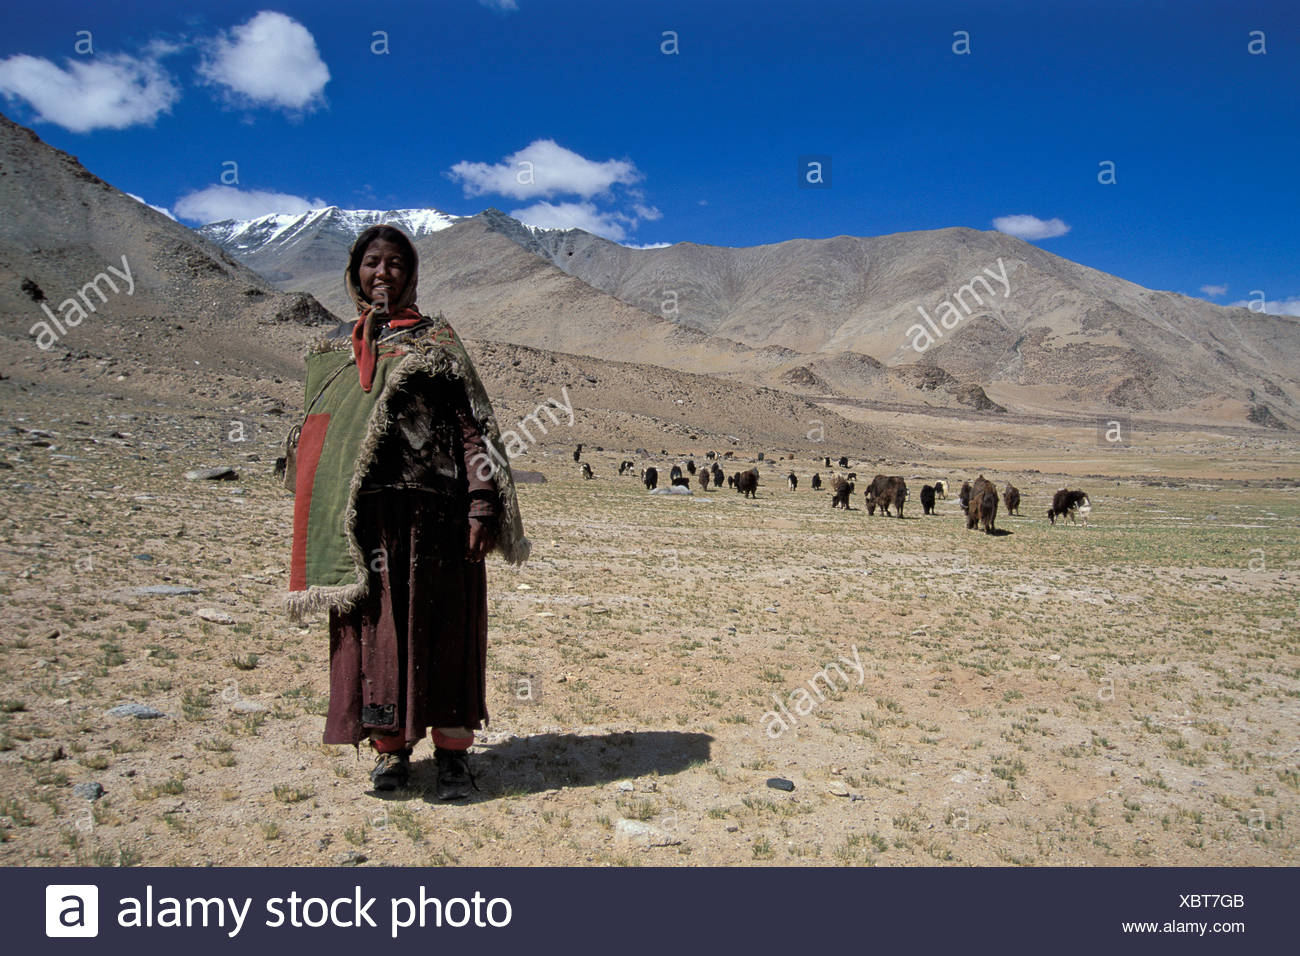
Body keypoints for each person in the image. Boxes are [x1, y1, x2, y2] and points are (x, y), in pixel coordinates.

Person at [286, 224, 529, 798]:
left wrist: (480, 503)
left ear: (411, 273)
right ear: (355, 272)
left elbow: (473, 430)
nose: (383, 273)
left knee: (447, 633)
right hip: (364, 527)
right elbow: (320, 443)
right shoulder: (334, 357)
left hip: (438, 521)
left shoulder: (436, 342)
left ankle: (452, 757)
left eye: (395, 263)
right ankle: (389, 753)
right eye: (372, 262)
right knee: (377, 637)